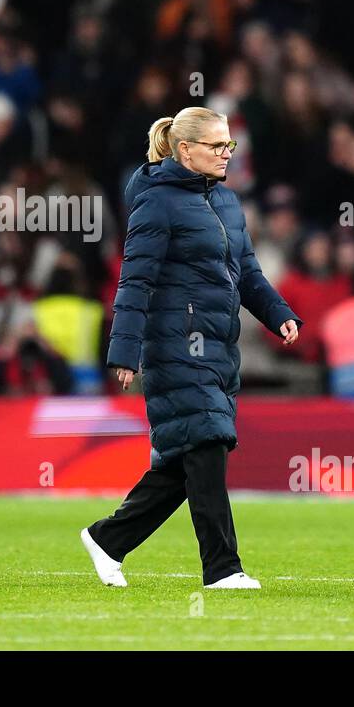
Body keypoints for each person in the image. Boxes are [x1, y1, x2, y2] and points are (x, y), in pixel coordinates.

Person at [81, 106, 302, 590]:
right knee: (206, 442)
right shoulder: (156, 203)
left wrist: (279, 313)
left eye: (230, 145)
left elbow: (247, 273)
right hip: (174, 346)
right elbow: (134, 279)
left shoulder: (226, 203)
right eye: (217, 145)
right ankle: (223, 569)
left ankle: (108, 539)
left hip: (218, 348)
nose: (227, 153)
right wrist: (123, 351)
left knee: (184, 463)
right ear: (185, 150)